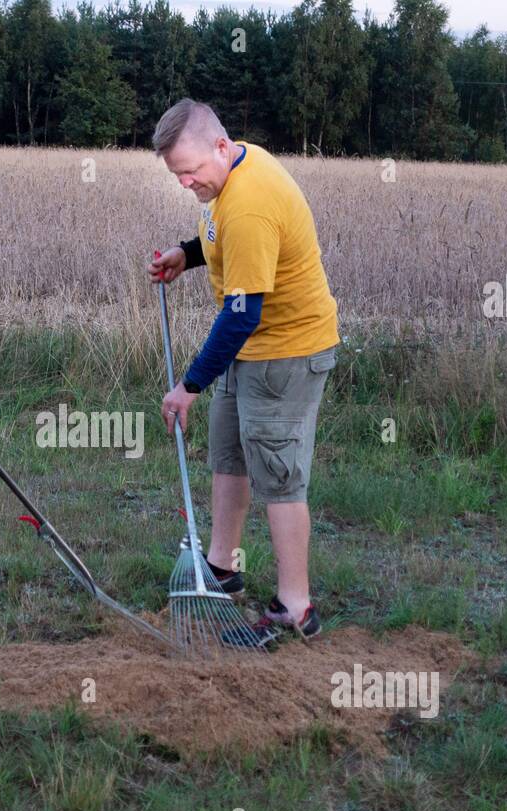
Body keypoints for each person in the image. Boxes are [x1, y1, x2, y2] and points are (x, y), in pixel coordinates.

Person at [147, 99, 339, 647]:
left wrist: (188, 387)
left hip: (285, 350)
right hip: (249, 347)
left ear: (222, 146)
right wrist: (188, 253)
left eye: (191, 171)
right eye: (177, 175)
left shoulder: (250, 200)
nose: (186, 183)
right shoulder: (227, 175)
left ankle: (294, 606)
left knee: (277, 471)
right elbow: (222, 239)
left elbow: (241, 313)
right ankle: (222, 568)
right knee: (229, 450)